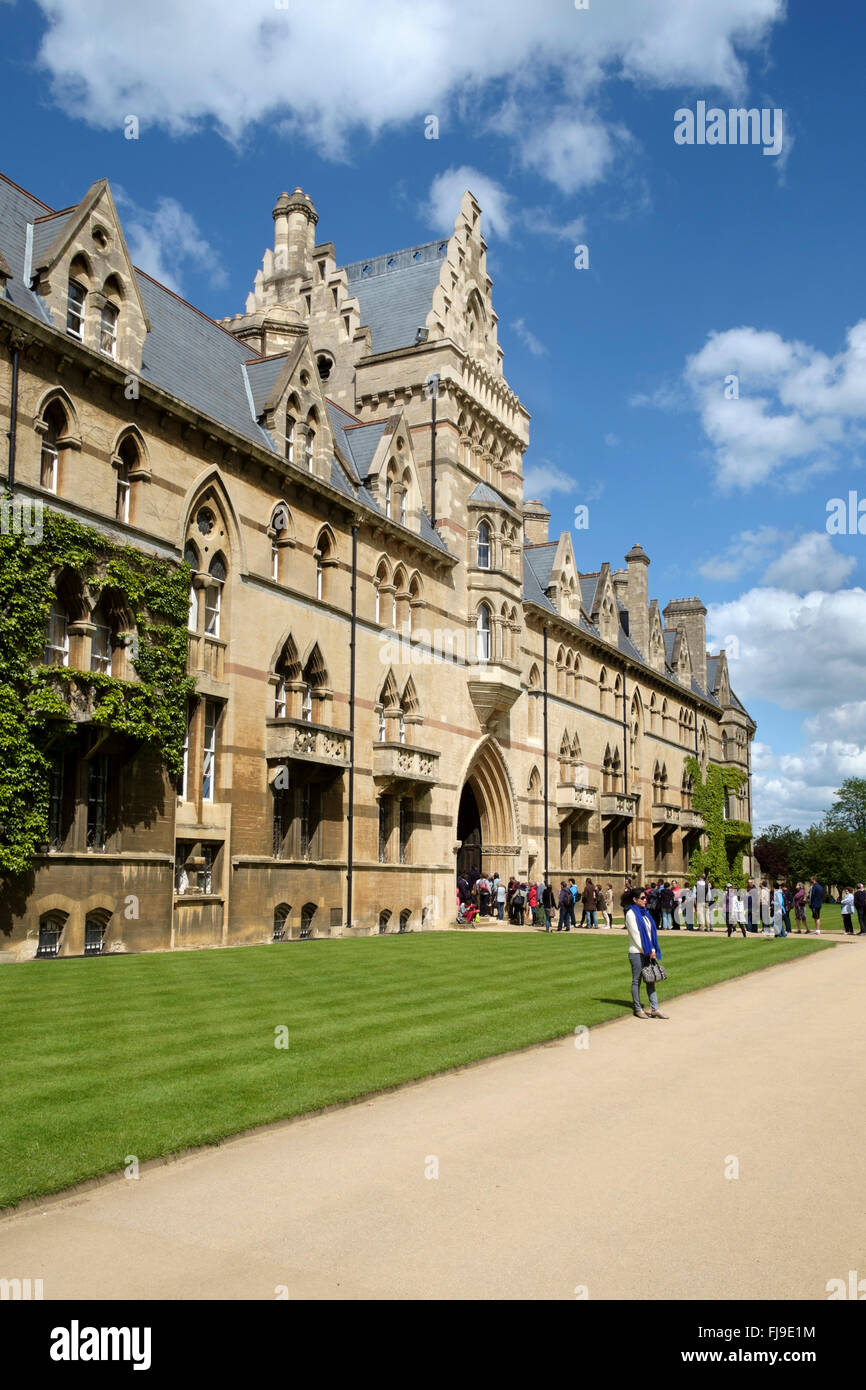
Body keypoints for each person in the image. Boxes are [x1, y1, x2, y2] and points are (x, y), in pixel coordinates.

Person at [623, 886, 668, 1020]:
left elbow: (650, 934)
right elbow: (636, 936)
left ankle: (655, 1009)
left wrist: (652, 950)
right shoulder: (631, 914)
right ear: (635, 899)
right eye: (642, 898)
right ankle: (638, 1009)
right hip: (636, 952)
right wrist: (649, 951)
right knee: (636, 981)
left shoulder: (645, 913)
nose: (645, 900)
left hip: (648, 951)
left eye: (645, 897)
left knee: (651, 980)